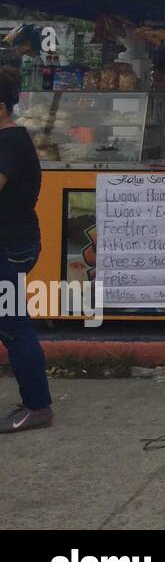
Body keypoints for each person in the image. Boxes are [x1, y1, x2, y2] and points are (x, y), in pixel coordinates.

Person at [0, 66, 53, 433]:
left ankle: (37, 406)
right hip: (14, 243)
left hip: (10, 248)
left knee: (13, 325)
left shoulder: (9, 143)